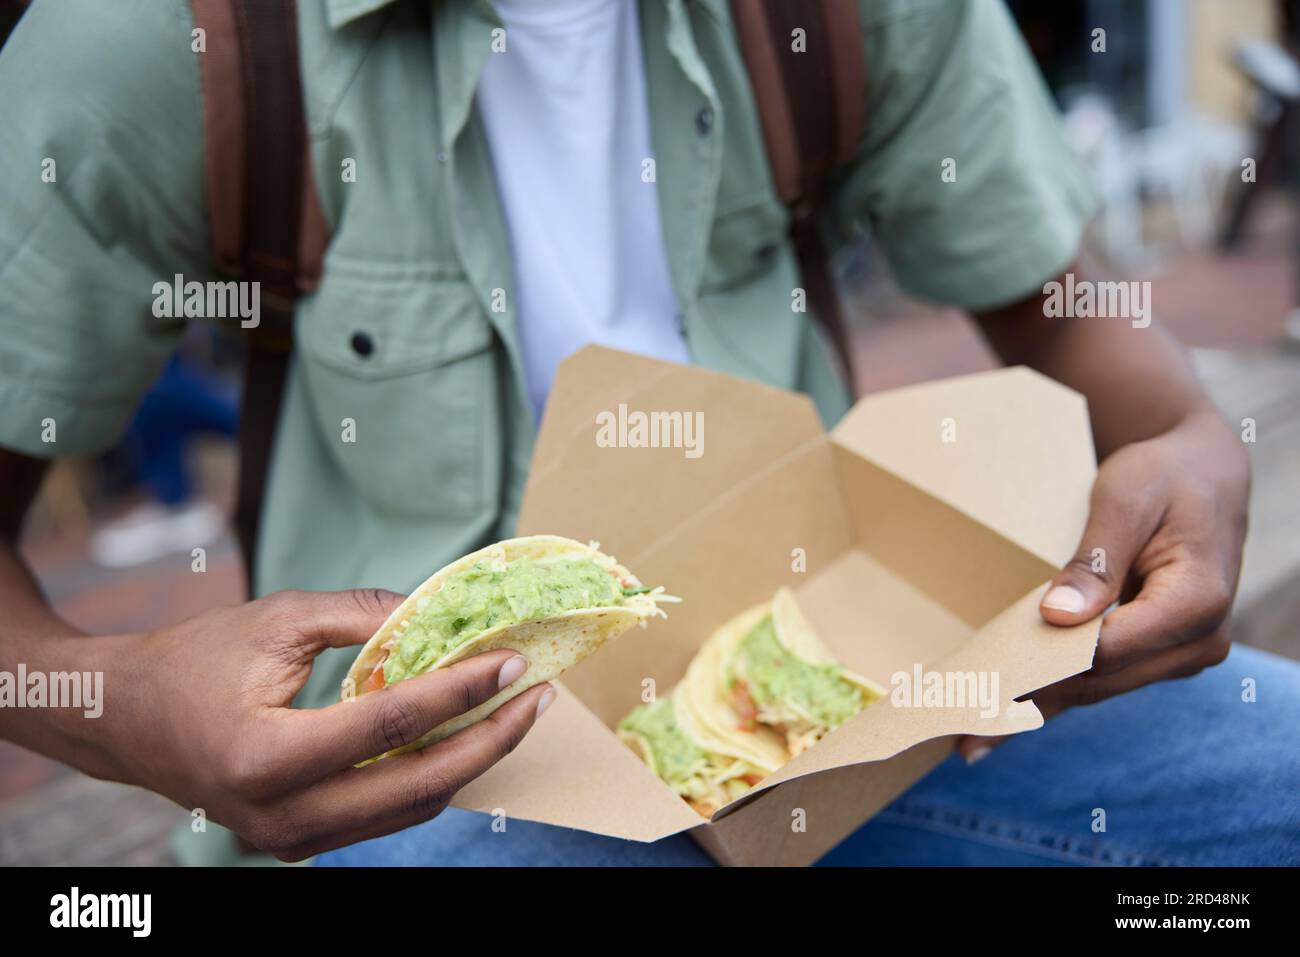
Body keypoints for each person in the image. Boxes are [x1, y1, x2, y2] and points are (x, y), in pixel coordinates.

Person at [0, 0, 1295, 867]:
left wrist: (1191, 441)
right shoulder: (161, 40)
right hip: (425, 780)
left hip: (837, 718)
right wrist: (120, 707)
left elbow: (1088, 334)